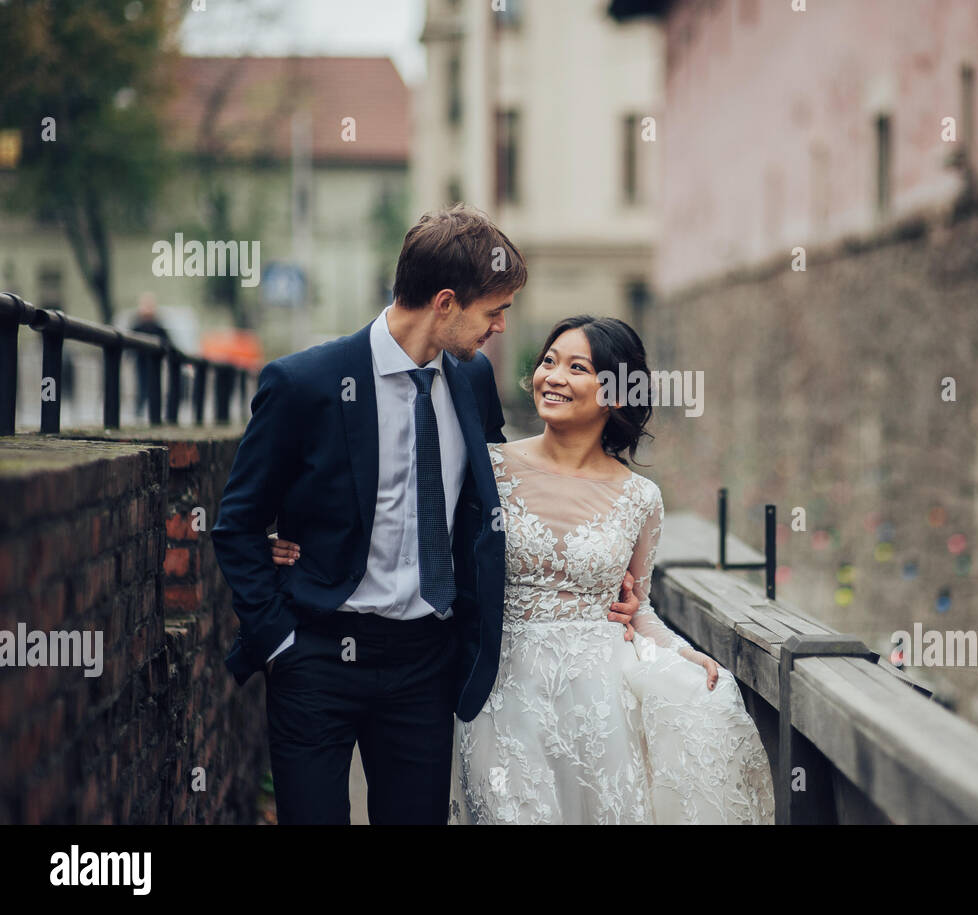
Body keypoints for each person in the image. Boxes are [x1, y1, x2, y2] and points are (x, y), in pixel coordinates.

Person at [211, 205, 643, 825]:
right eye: (494, 310)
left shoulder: (471, 383)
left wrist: (600, 579)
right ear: (445, 303)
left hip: (424, 665)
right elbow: (236, 525)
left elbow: (498, 499)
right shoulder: (305, 383)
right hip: (316, 657)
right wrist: (281, 640)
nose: (499, 327)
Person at [275, 316, 776, 824]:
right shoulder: (485, 466)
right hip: (501, 696)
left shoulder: (641, 498)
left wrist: (682, 653)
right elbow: (403, 515)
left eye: (576, 367)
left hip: (599, 707)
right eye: (548, 361)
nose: (552, 376)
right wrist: (294, 540)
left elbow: (637, 606)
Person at [130, 293, 171, 416]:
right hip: (141, 360)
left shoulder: (157, 326)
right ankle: (141, 407)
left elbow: (166, 341)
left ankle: (153, 409)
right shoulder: (138, 324)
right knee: (142, 384)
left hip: (154, 361)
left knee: (153, 385)